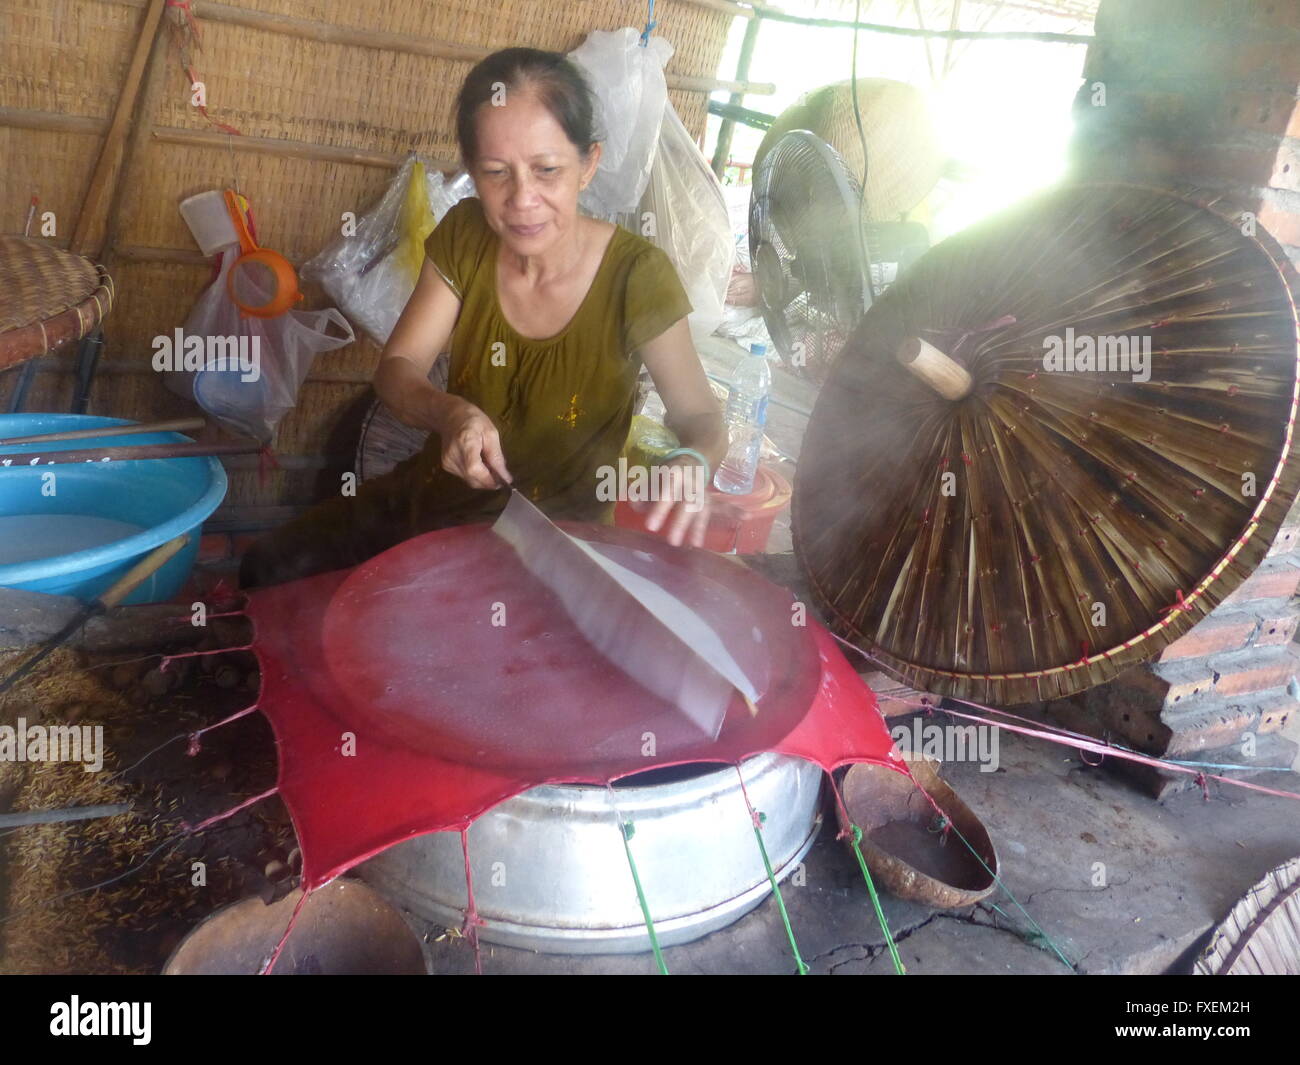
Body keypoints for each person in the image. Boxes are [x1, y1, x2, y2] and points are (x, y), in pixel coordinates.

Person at [240, 46, 727, 588]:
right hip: (430, 501)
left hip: (556, 544)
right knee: (268, 568)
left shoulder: (637, 276)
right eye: (497, 173)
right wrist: (450, 414)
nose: (523, 200)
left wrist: (693, 462)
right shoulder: (466, 234)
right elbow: (399, 365)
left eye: (547, 171)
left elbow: (701, 417)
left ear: (588, 164)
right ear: (472, 171)